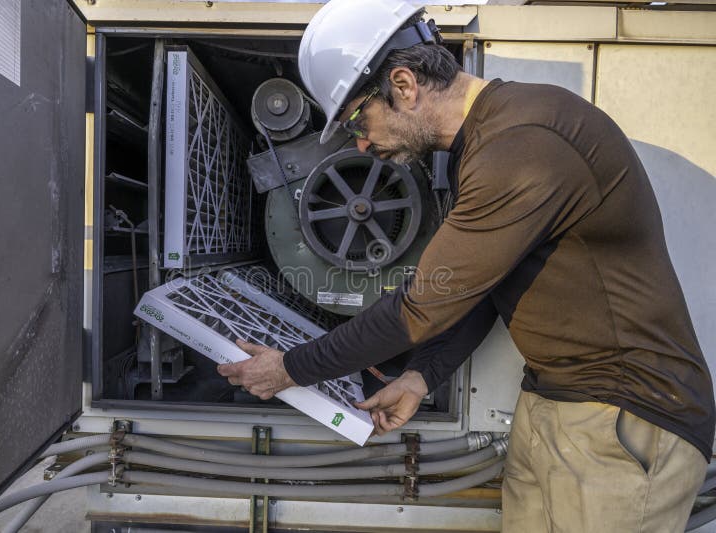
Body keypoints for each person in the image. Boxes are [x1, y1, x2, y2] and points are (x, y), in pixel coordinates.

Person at [217, 0, 715, 530]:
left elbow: (417, 310)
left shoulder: (521, 144)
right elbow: (476, 291)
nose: (361, 143)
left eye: (359, 119)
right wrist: (420, 376)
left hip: (624, 418)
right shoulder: (483, 146)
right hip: (555, 401)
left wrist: (288, 369)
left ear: (404, 84)